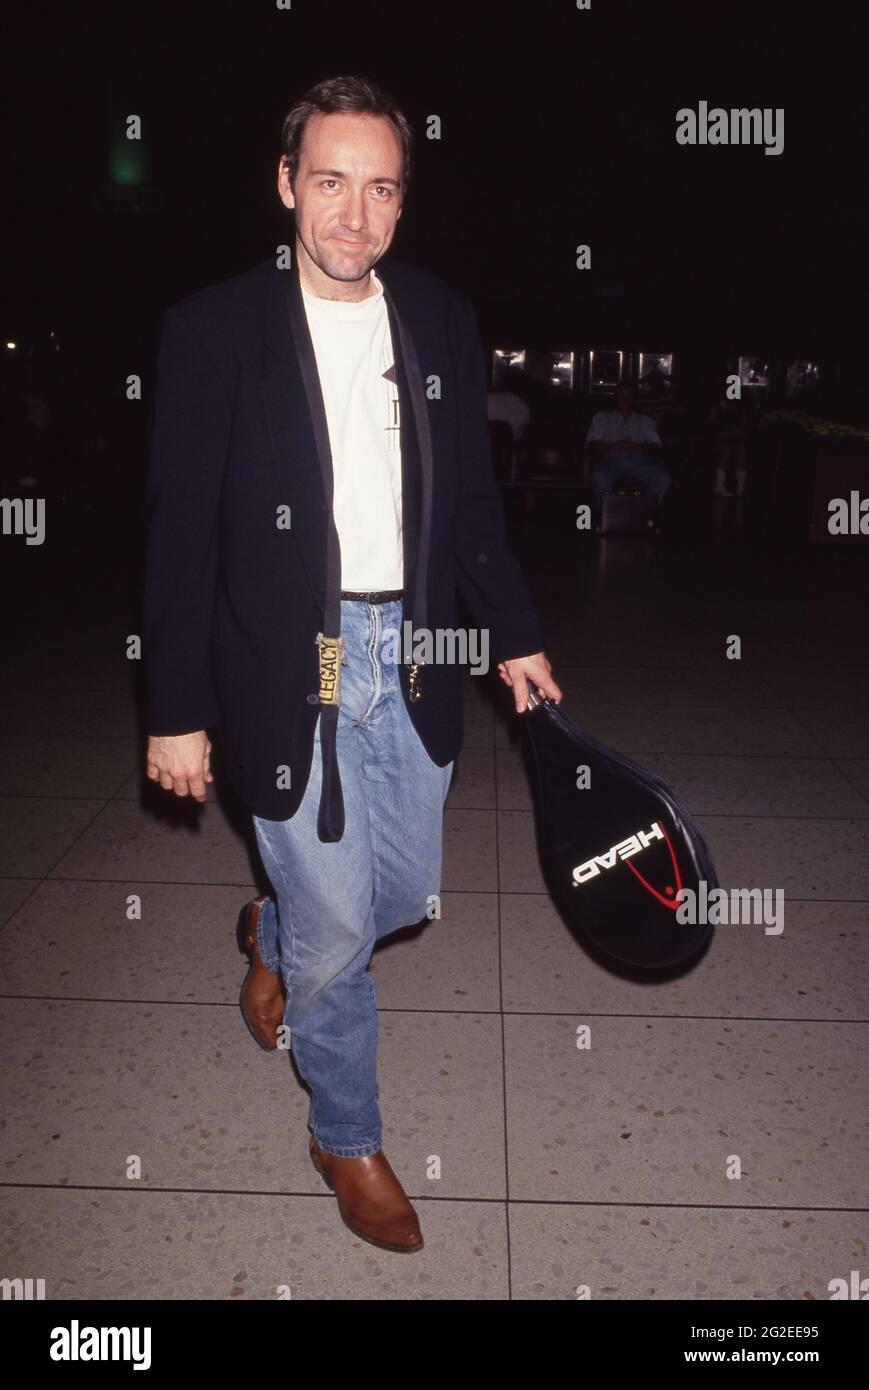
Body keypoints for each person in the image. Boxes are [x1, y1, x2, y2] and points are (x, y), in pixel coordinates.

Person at [142, 75, 562, 1254]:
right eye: (329, 181)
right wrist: (174, 707)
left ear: (399, 204)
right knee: (340, 931)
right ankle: (346, 1132)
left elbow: (469, 502)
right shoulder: (213, 330)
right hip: (297, 657)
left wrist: (515, 627)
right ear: (287, 187)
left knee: (392, 895)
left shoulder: (432, 316)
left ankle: (271, 934)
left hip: (413, 648)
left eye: (378, 188)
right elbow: (177, 533)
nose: (352, 213)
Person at [585, 384, 670, 523]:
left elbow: (657, 446)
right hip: (611, 458)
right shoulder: (601, 418)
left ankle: (647, 518)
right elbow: (591, 442)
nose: (625, 400)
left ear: (633, 399)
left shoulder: (645, 421)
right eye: (621, 396)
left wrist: (637, 446)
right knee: (598, 478)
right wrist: (611, 447)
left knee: (663, 478)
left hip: (640, 460)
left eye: (628, 396)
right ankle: (603, 518)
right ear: (615, 398)